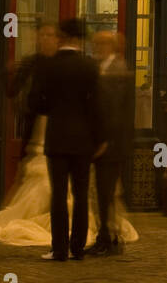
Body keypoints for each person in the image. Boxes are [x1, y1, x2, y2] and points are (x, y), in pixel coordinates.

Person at [27, 18, 102, 261]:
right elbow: (98, 106)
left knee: (58, 195)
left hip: (57, 137)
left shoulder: (49, 66)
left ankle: (59, 248)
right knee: (81, 195)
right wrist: (99, 137)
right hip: (83, 140)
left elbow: (35, 103)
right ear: (79, 38)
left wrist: (53, 109)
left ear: (62, 37)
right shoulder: (90, 66)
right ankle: (78, 248)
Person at [89, 30, 134, 257]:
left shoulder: (117, 70)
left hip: (111, 144)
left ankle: (109, 238)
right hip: (105, 142)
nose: (97, 47)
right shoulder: (102, 67)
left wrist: (104, 140)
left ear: (113, 46)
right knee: (102, 193)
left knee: (106, 193)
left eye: (102, 43)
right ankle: (106, 236)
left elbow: (113, 112)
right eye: (96, 43)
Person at [7, 23, 58, 152]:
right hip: (32, 121)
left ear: (57, 39)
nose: (45, 38)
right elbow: (13, 90)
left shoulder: (62, 62)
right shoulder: (30, 62)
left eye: (49, 35)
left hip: (56, 124)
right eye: (42, 35)